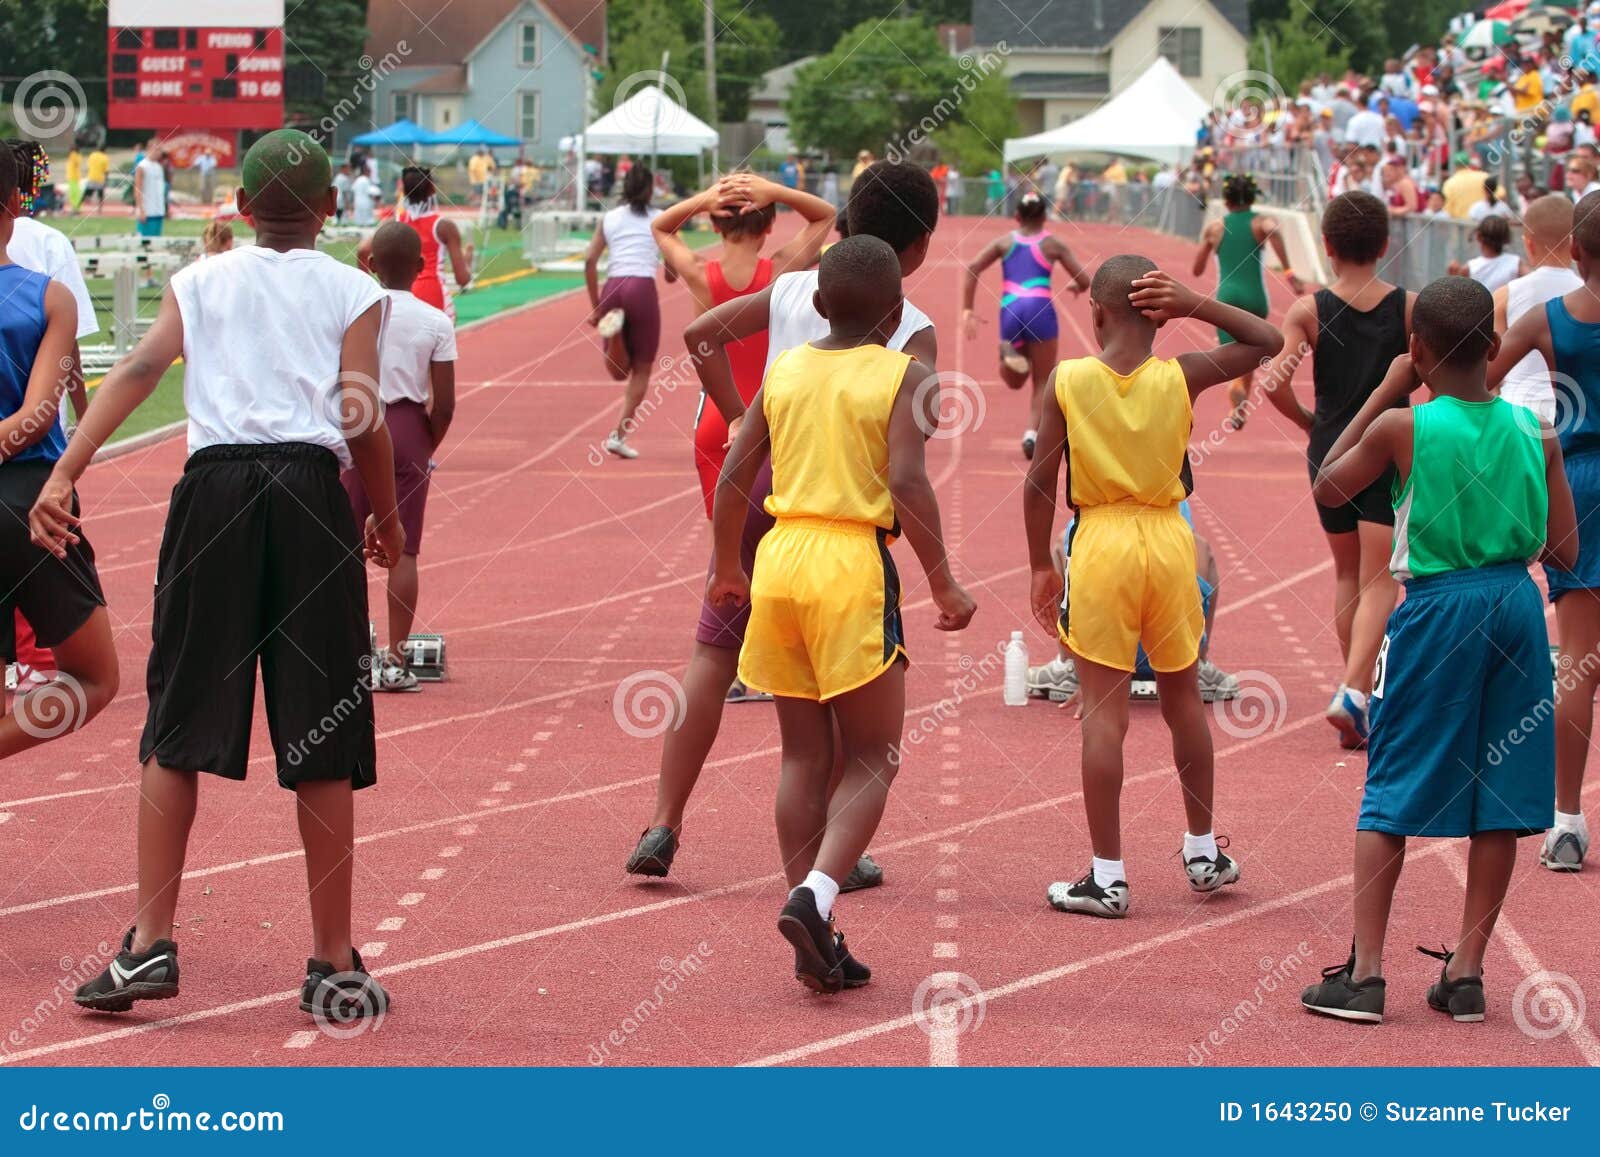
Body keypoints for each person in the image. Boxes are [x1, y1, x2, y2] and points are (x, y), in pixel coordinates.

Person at [34, 129, 401, 1023]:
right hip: (313, 496)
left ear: (236, 209)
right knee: (323, 721)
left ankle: (149, 943)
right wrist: (384, 514)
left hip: (217, 490)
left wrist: (65, 469)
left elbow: (138, 366)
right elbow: (360, 410)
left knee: (179, 715)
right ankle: (330, 962)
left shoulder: (201, 280)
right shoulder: (357, 287)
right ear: (329, 209)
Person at [634, 162, 944, 892]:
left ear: (848, 223)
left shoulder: (795, 285)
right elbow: (909, 459)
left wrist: (741, 411)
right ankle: (831, 859)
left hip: (761, 483)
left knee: (711, 654)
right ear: (921, 247)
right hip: (839, 509)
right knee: (845, 687)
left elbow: (701, 334)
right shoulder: (912, 325)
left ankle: (664, 819)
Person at [1301, 278, 1575, 1025]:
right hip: (1517, 607)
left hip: (1434, 609)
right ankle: (1467, 972)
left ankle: (1364, 975)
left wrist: (1384, 392)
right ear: (1493, 349)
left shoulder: (1403, 425)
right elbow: (1566, 546)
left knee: (1392, 778)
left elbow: (1329, 486)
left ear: (1416, 350)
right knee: (1503, 790)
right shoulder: (1537, 432)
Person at [705, 235, 976, 991]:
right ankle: (816, 893)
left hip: (782, 558)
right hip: (851, 563)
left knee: (802, 755)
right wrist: (943, 581)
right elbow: (909, 483)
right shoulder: (906, 375)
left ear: (817, 304)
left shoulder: (786, 367)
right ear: (896, 313)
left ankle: (816, 932)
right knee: (871, 754)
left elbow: (735, 469)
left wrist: (729, 563)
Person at [1023, 258, 1283, 918]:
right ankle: (1202, 852)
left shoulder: (1067, 379)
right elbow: (1267, 343)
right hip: (1169, 542)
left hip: (1102, 541)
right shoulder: (1183, 374)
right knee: (1183, 701)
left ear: (1097, 313)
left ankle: (1107, 876)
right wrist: (1198, 304)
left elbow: (1038, 482)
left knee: (1103, 714)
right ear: (1160, 316)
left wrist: (1039, 566)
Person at [1262, 191, 1412, 749]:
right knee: (1381, 578)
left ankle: (1356, 691)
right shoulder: (1409, 307)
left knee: (1347, 573)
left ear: (1325, 246)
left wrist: (1307, 421)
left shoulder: (1309, 310)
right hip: (1386, 446)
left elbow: (1272, 381)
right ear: (1385, 244)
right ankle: (1355, 690)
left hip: (1329, 450)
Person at [1488, 191, 1600, 872]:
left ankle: (1565, 820)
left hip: (1579, 484)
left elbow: (1475, 384)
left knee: (1578, 661)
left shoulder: (1543, 318)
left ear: (1577, 253)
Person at [0, 140, 119, 762]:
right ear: (18, 201)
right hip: (26, 499)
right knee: (96, 680)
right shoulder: (48, 295)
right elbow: (38, 414)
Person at [651, 170, 835, 518]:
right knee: (774, 537)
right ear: (768, 227)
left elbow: (661, 226)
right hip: (772, 418)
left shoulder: (697, 271)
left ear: (716, 226)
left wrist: (706, 200)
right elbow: (825, 214)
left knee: (723, 553)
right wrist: (776, 191)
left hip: (717, 418)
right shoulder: (781, 270)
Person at [344, 222, 456, 693]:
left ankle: (347, 657)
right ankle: (394, 660)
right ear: (420, 266)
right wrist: (425, 443)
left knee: (343, 548)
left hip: (355, 422)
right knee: (403, 548)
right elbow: (445, 403)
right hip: (409, 428)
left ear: (369, 265)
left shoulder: (352, 312)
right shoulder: (436, 321)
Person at [1026, 499, 1241, 704]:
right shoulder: (1169, 491)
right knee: (1197, 546)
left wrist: (1039, 566)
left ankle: (1070, 663)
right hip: (1173, 647)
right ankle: (1198, 663)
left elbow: (1038, 483)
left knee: (1065, 543)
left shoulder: (1095, 494)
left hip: (1098, 651)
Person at [961, 190, 1091, 458]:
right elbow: (1085, 279)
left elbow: (973, 266)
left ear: (1016, 216)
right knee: (1043, 380)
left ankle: (1008, 360)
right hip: (1040, 306)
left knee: (1015, 381)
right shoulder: (1053, 245)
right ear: (1045, 216)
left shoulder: (1004, 243)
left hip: (1010, 307)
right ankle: (1031, 434)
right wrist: (1076, 286)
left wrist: (967, 309)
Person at [1192, 174, 1305, 430]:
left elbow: (1197, 270)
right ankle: (1238, 409)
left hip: (1228, 298)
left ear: (1227, 200)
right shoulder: (1260, 223)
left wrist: (1208, 246)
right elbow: (1272, 229)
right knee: (1253, 351)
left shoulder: (1216, 227)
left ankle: (1235, 390)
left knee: (1232, 354)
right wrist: (1289, 272)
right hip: (1256, 297)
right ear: (1253, 198)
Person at [585, 164, 668, 460]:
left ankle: (616, 334)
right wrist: (670, 272)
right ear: (650, 190)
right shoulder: (660, 219)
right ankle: (618, 435)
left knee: (618, 373)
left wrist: (596, 306)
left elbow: (589, 261)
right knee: (642, 368)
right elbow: (672, 265)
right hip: (642, 287)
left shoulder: (608, 218)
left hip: (613, 285)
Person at [1494, 194, 1580, 423]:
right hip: (1573, 414)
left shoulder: (1504, 296)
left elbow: (1490, 368)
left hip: (1516, 412)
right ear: (1575, 244)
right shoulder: (1590, 297)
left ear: (1528, 244)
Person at [395, 167, 471, 322]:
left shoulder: (395, 223)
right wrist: (468, 259)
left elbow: (363, 249)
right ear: (432, 189)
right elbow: (462, 279)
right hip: (434, 296)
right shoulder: (444, 226)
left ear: (403, 191)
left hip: (402, 299)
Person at [1448, 213, 1524, 291]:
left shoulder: (1470, 267)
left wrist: (1452, 277)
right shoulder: (1516, 262)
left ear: (1478, 237)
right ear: (1506, 238)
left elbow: (1455, 293)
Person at [133, 143, 166, 237]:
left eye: (160, 150)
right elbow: (137, 189)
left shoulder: (159, 167)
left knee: (156, 242)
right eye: (156, 149)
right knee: (145, 243)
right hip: (147, 212)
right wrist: (141, 209)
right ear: (149, 149)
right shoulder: (142, 166)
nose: (159, 152)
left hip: (158, 211)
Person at [83, 146, 108, 214]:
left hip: (91, 177)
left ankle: (79, 207)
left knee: (86, 193)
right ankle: (99, 210)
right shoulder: (105, 157)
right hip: (100, 179)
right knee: (100, 195)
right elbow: (106, 171)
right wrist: (106, 180)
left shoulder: (92, 155)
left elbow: (88, 166)